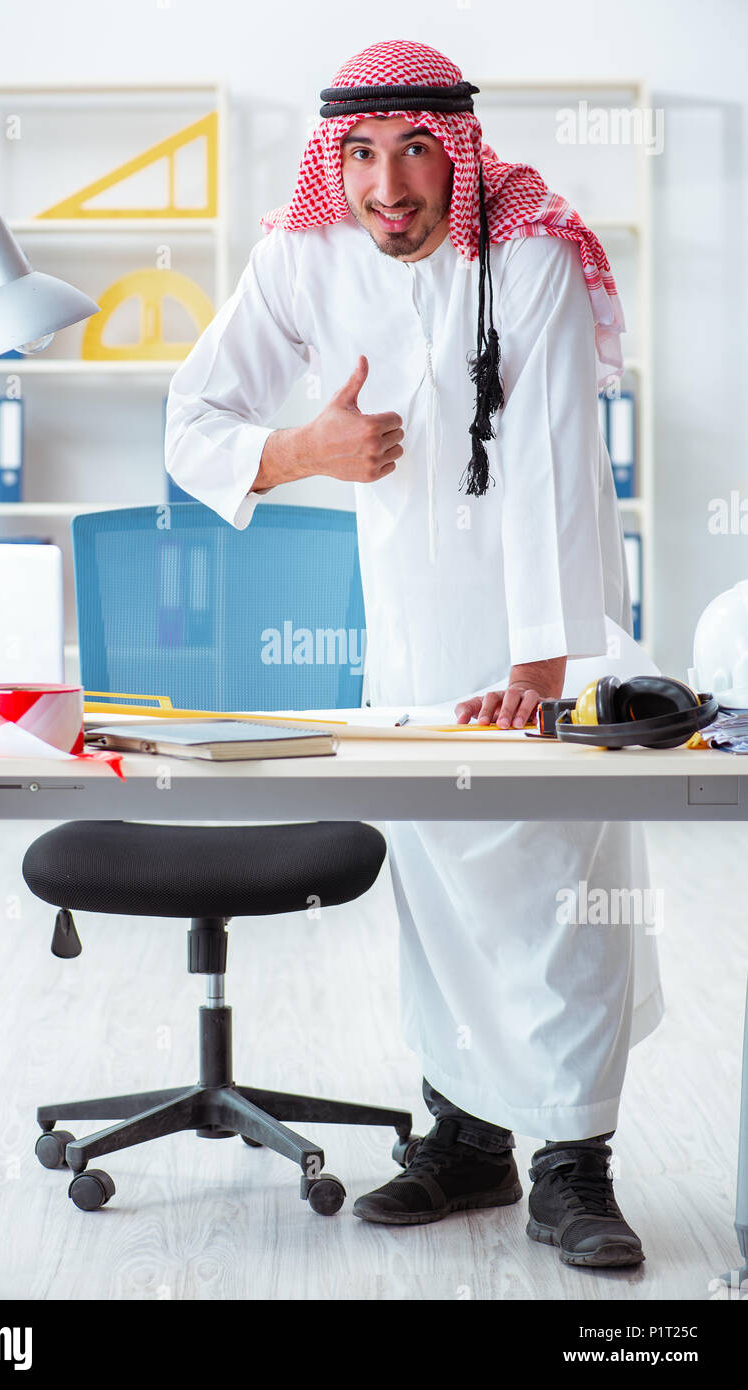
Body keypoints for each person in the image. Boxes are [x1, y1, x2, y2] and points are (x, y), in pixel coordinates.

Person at [164, 38, 664, 1270]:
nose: (389, 184)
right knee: (438, 888)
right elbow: (192, 425)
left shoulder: (532, 252)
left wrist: (541, 671)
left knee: (559, 890)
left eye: (417, 150)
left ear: (463, 153)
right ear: (336, 163)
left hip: (536, 639)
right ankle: (467, 1140)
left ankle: (575, 1163)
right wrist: (302, 453)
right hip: (409, 638)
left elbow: (550, 458)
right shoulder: (301, 258)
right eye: (365, 154)